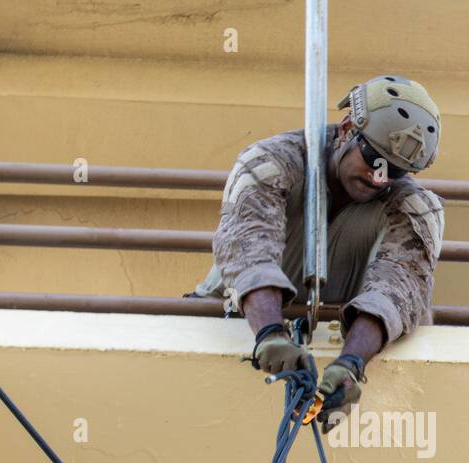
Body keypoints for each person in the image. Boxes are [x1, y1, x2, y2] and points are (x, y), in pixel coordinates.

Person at [189, 75, 445, 431]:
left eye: (395, 170)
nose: (378, 178)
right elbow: (248, 247)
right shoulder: (270, 161)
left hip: (335, 327)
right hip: (238, 316)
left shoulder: (413, 206)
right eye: (372, 159)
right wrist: (269, 334)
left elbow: (398, 286)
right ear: (345, 130)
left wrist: (351, 363)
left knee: (422, 209)